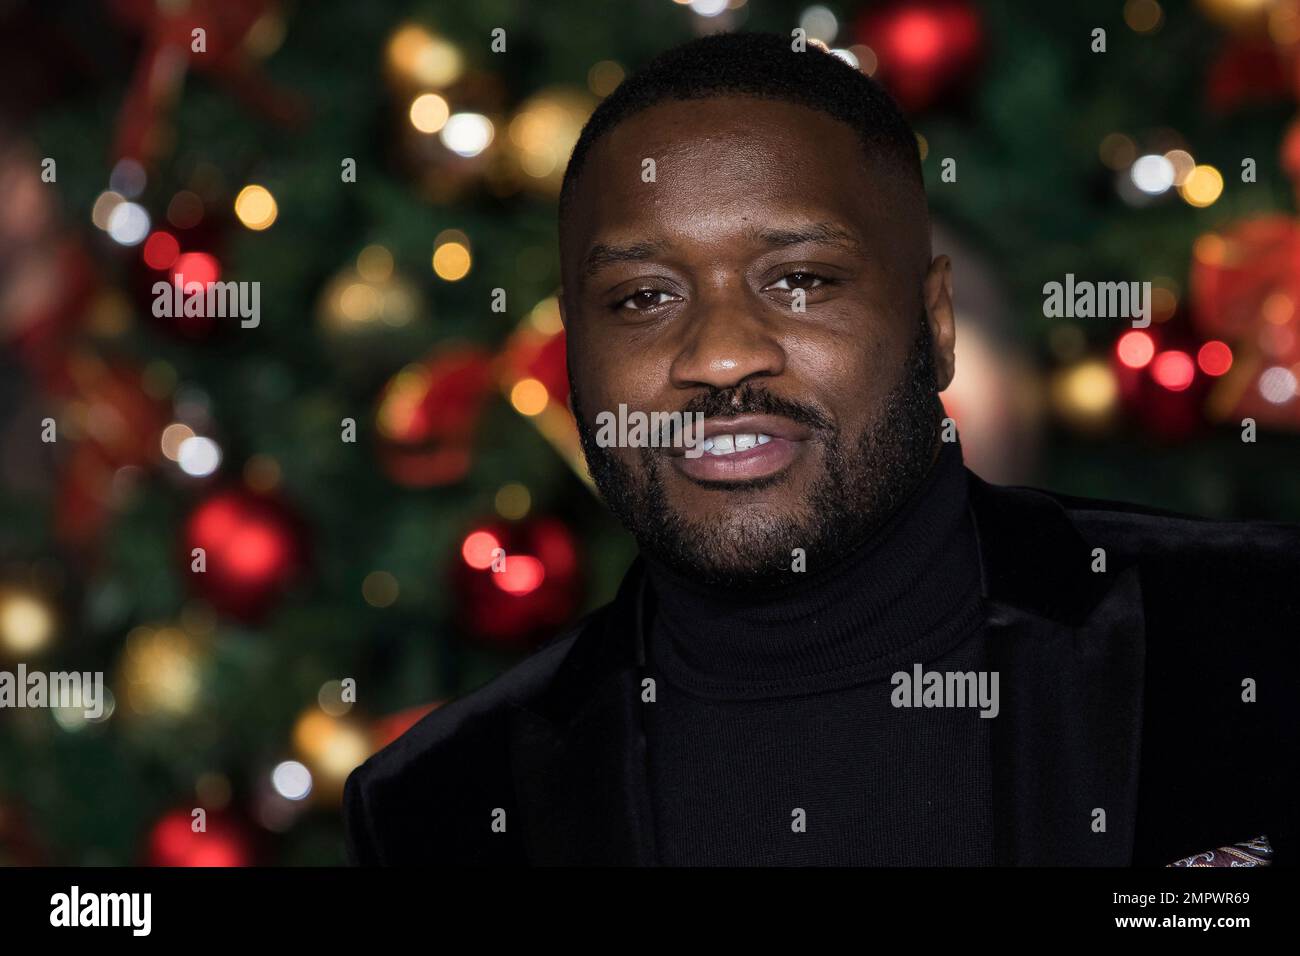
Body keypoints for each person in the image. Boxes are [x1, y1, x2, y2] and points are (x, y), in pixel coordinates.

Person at [343, 31, 1298, 867]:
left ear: (935, 324)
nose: (720, 356)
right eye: (643, 297)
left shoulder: (1263, 629)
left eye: (799, 280)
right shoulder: (440, 809)